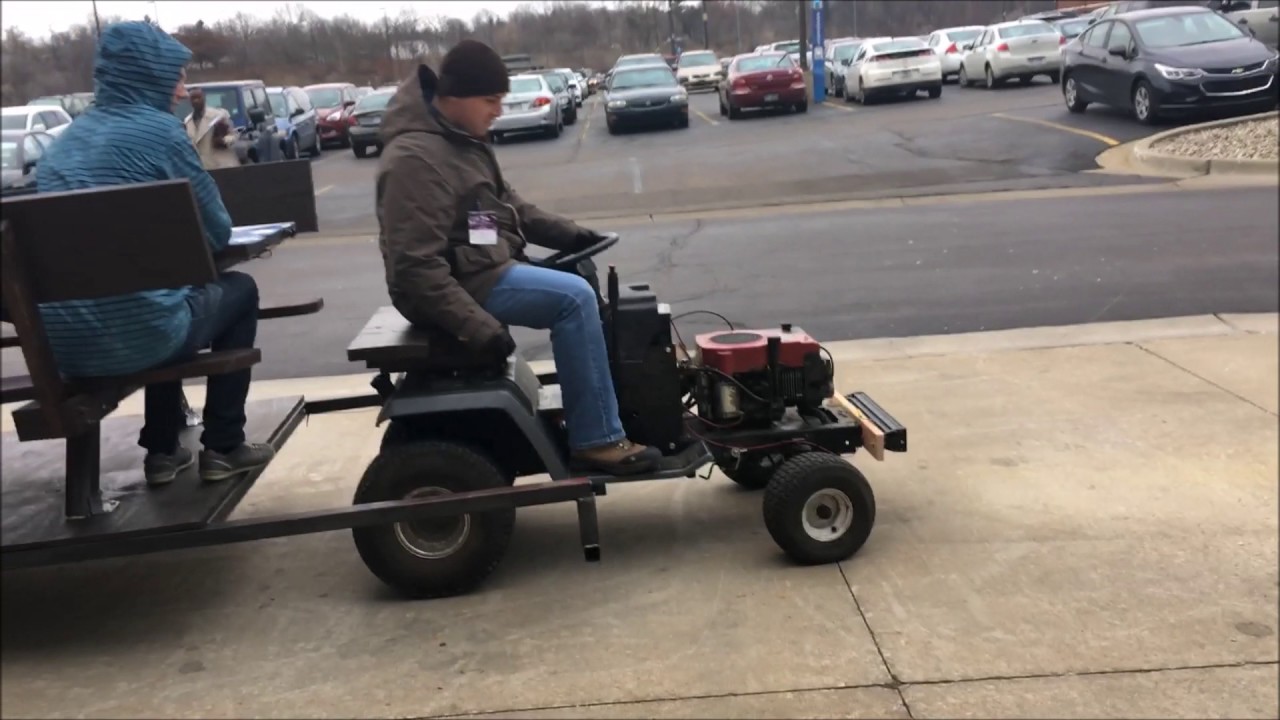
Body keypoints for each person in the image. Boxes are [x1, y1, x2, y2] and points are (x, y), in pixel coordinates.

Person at [376, 40, 662, 476]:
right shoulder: (416, 159)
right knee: (573, 299)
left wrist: (572, 234)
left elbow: (508, 206)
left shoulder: (459, 141)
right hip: (449, 287)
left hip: (478, 267)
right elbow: (414, 268)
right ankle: (597, 439)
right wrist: (479, 328)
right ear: (453, 96)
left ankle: (597, 407)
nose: (498, 111)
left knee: (579, 277)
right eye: (490, 101)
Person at [35, 21, 275, 486]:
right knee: (237, 291)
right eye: (177, 77)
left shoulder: (60, 148)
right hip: (142, 337)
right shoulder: (161, 135)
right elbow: (217, 230)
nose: (183, 92)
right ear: (149, 77)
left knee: (158, 297)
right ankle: (224, 444)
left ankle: (163, 450)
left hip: (69, 347)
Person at [183, 86, 240, 170]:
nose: (196, 101)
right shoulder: (187, 122)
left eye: (199, 97)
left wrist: (224, 140)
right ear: (189, 101)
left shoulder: (218, 115)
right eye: (193, 98)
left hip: (223, 166)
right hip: (203, 168)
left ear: (204, 98)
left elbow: (234, 135)